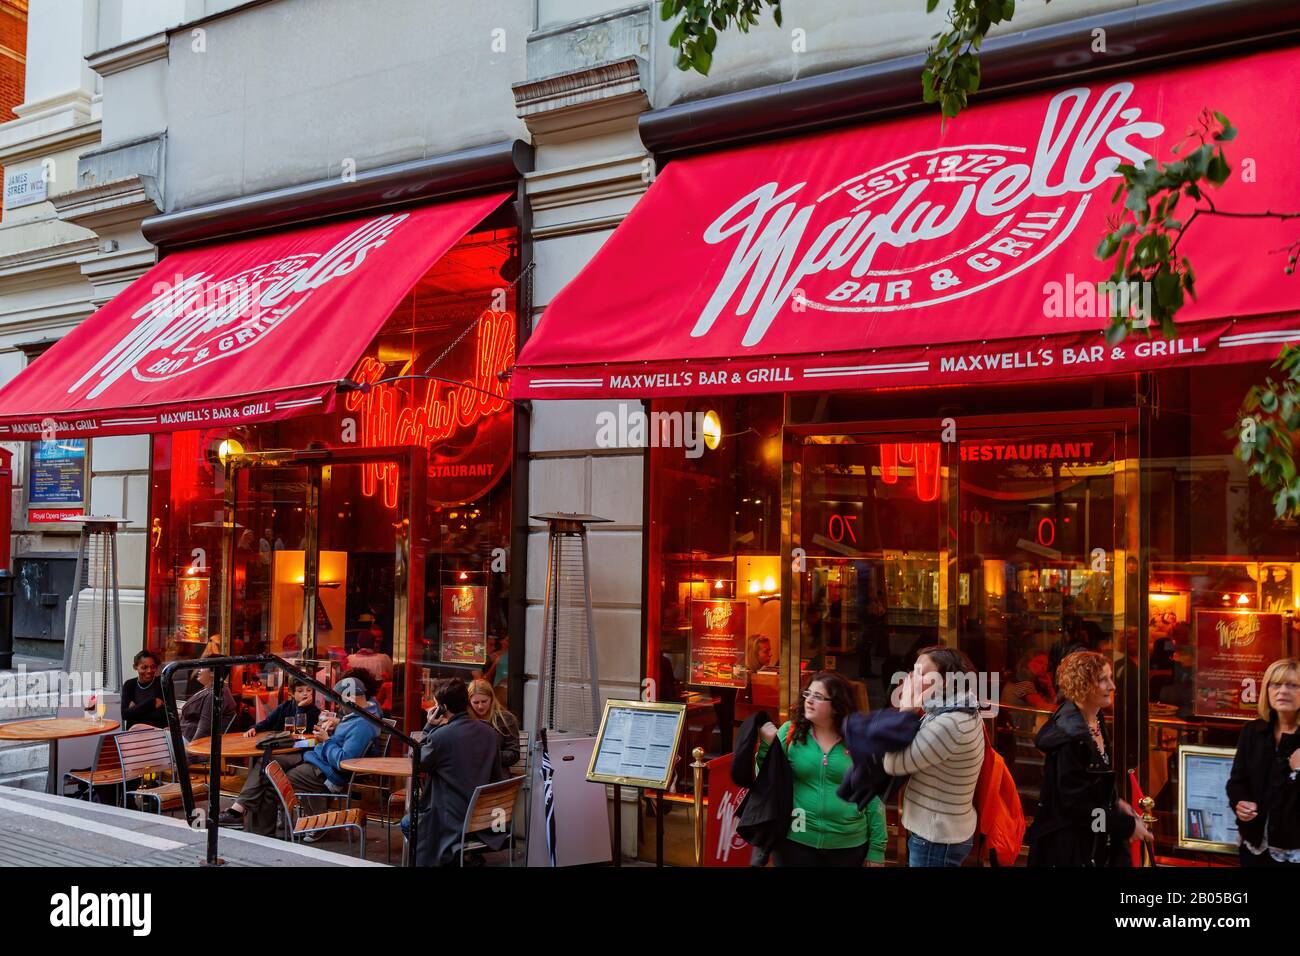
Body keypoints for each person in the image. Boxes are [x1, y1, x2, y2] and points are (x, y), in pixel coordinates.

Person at [1026, 650, 1154, 865]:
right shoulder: (1072, 737)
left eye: (1110, 677)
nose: (1112, 686)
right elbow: (1076, 809)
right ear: (1083, 685)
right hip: (1070, 850)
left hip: (1090, 842)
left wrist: (1116, 802)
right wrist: (1127, 826)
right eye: (1103, 680)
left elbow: (1091, 786)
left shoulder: (1094, 719)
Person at [219, 677, 380, 835]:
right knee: (266, 769)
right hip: (315, 761)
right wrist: (338, 723)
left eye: (339, 700)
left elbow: (343, 761)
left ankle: (262, 832)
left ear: (351, 698)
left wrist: (327, 740)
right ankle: (258, 827)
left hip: (324, 773)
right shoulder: (361, 715)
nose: (338, 704)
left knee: (270, 781)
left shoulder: (361, 725)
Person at [757, 671, 888, 866]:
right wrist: (766, 746)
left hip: (847, 844)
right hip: (795, 838)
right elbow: (764, 778)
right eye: (807, 694)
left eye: (818, 697)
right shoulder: (790, 732)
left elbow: (873, 798)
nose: (809, 700)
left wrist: (877, 849)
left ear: (836, 705)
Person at [883, 646, 985, 867]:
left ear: (945, 682)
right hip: (943, 831)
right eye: (913, 669)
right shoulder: (959, 709)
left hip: (935, 836)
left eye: (921, 672)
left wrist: (905, 712)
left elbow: (892, 763)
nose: (910, 677)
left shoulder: (949, 723)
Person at [410, 677, 507, 866]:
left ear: (442, 708)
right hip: (488, 820)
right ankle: (465, 859)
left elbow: (417, 763)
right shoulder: (490, 733)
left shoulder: (441, 737)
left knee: (408, 823)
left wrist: (429, 727)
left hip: (452, 820)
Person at [1227, 657, 1300, 866]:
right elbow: (1236, 782)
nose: (1282, 691)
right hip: (1255, 847)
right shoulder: (1253, 731)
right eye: (1275, 684)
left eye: (1292, 685)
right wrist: (1240, 803)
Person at [467, 677, 520, 769]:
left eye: (484, 701)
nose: (480, 706)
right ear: (469, 702)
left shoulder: (506, 719)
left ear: (491, 699)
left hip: (496, 773)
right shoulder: (465, 719)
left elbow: (514, 754)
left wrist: (487, 755)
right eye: (475, 702)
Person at [243, 680, 321, 737]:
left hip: (299, 748)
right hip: (282, 743)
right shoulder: (285, 706)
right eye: (300, 691)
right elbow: (268, 721)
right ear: (292, 694)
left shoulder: (314, 711)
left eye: (309, 690)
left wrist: (300, 708)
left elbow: (299, 732)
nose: (305, 693)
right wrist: (254, 728)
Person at [179, 668, 237, 743]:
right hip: (183, 734)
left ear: (213, 673)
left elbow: (204, 730)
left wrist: (190, 751)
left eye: (203, 667)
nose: (199, 670)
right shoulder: (211, 689)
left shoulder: (214, 695)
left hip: (188, 740)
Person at [122, 650, 167, 730]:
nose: (149, 671)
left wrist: (135, 709)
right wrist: (152, 702)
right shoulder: (129, 685)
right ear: (135, 667)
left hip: (157, 733)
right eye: (144, 667)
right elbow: (125, 714)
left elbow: (164, 714)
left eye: (153, 667)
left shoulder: (162, 683)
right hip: (134, 734)